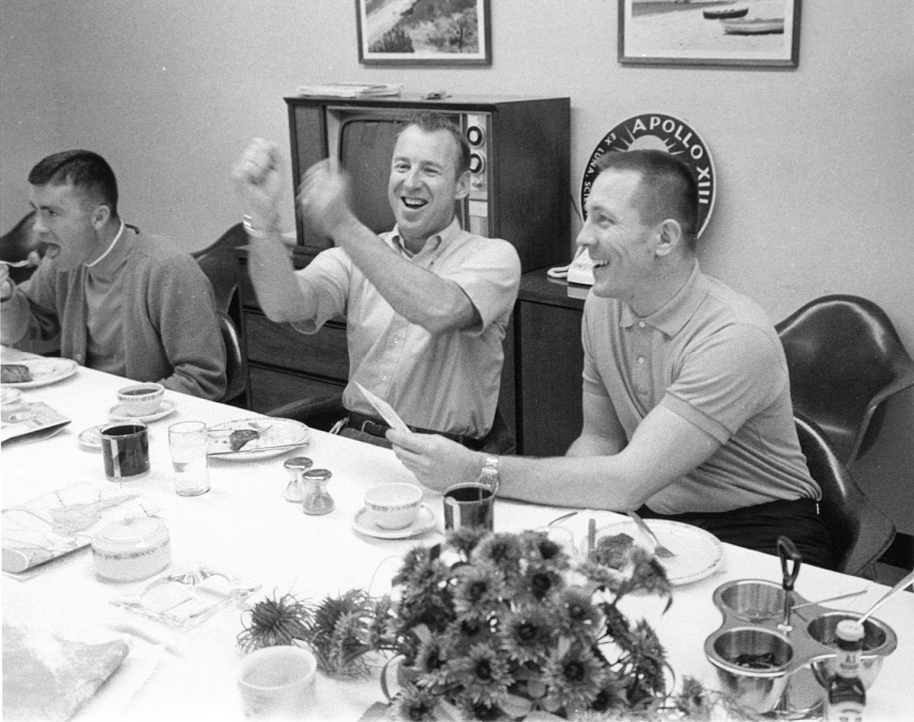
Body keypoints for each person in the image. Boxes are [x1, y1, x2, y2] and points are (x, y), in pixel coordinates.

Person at [389, 149, 833, 568]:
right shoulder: (605, 304)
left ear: (664, 238)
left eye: (604, 221)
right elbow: (600, 439)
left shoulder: (735, 338)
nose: (583, 237)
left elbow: (625, 481)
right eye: (588, 218)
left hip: (763, 529)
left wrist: (477, 470)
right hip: (659, 520)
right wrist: (563, 527)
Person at [232, 112, 521, 450]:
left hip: (443, 457)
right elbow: (284, 305)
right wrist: (262, 219)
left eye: (430, 170)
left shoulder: (494, 256)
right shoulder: (357, 254)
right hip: (357, 445)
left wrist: (342, 224)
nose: (411, 182)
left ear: (461, 185)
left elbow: (439, 309)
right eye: (402, 166)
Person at [0, 150, 226, 400]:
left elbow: (203, 381)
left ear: (99, 217)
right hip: (91, 412)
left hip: (144, 423)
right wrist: (5, 295)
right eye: (36, 211)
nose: (38, 227)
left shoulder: (167, 270)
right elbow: (16, 331)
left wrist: (116, 407)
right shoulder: (64, 262)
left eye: (52, 213)